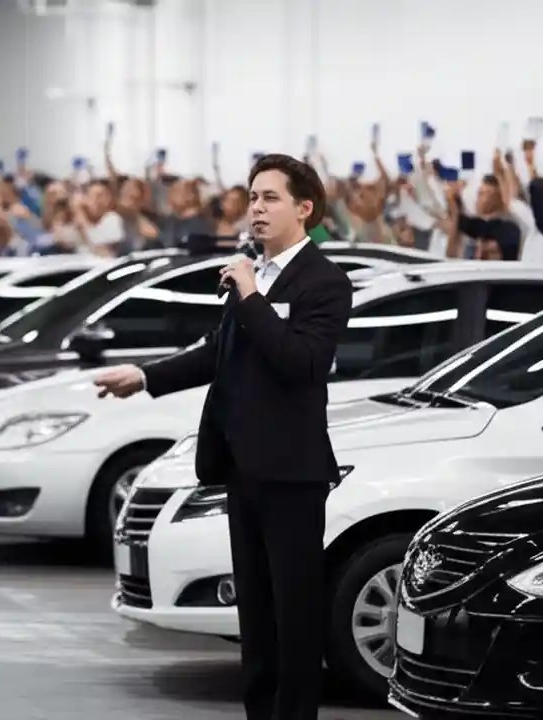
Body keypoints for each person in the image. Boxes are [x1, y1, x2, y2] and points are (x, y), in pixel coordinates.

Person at [94, 153, 351, 720]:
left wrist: (253, 296)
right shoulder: (252, 275)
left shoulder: (323, 282)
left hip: (292, 475)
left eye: (271, 198)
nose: (256, 208)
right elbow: (218, 353)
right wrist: (143, 377)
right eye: (253, 197)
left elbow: (301, 362)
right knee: (256, 618)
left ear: (304, 209)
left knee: (294, 617)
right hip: (243, 470)